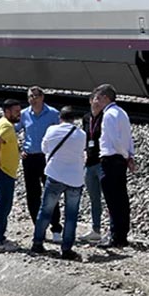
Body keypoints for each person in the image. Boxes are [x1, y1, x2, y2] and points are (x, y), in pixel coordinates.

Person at [29, 106, 86, 259]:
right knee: (71, 216)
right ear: (74, 119)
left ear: (60, 117)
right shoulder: (81, 134)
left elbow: (44, 148)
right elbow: (82, 152)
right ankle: (66, 249)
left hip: (54, 175)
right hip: (75, 178)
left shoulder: (51, 130)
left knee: (45, 211)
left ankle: (37, 244)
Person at [94, 83, 136, 248]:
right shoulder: (122, 112)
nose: (96, 101)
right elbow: (128, 136)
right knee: (122, 199)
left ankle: (115, 235)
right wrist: (129, 155)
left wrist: (125, 155)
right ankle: (122, 235)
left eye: (98, 97)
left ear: (105, 98)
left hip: (111, 159)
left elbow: (115, 139)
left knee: (113, 200)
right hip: (120, 160)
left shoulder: (109, 115)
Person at [18, 86, 62, 243]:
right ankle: (38, 227)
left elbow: (62, 132)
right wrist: (18, 149)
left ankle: (56, 227)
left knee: (51, 192)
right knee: (32, 193)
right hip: (30, 158)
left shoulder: (53, 114)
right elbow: (12, 130)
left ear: (42, 97)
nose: (33, 99)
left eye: (36, 96)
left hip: (47, 157)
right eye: (30, 96)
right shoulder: (23, 114)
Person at [0, 99, 22, 253]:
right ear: (7, 111)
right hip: (4, 171)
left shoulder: (3, 123)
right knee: (3, 205)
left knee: (2, 204)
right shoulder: (7, 126)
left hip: (5, 171)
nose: (19, 115)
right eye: (16, 112)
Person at [82, 96, 105, 243]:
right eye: (95, 99)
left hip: (102, 162)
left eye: (100, 100)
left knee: (109, 197)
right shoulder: (86, 118)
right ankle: (96, 229)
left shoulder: (105, 118)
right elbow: (84, 137)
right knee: (94, 198)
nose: (97, 103)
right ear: (90, 101)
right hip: (89, 163)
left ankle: (114, 229)